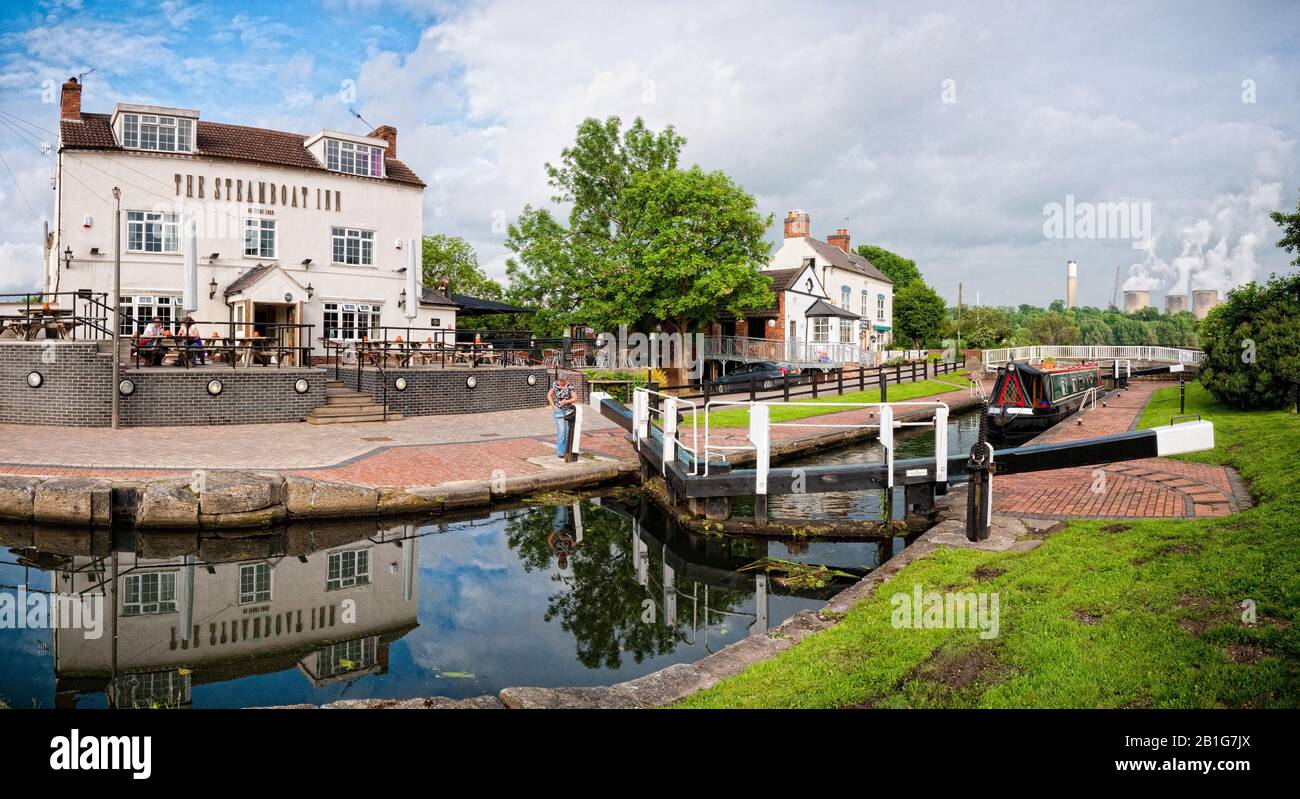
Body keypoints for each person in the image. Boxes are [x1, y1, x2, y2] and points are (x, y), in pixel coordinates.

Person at [547, 375, 578, 460]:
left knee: (568, 432)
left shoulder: (570, 385)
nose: (562, 383)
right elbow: (549, 395)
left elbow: (575, 398)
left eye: (564, 381)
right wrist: (553, 406)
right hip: (559, 411)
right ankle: (561, 453)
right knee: (561, 432)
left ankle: (567, 451)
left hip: (568, 411)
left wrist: (566, 401)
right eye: (561, 381)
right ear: (558, 380)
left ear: (566, 380)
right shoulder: (554, 385)